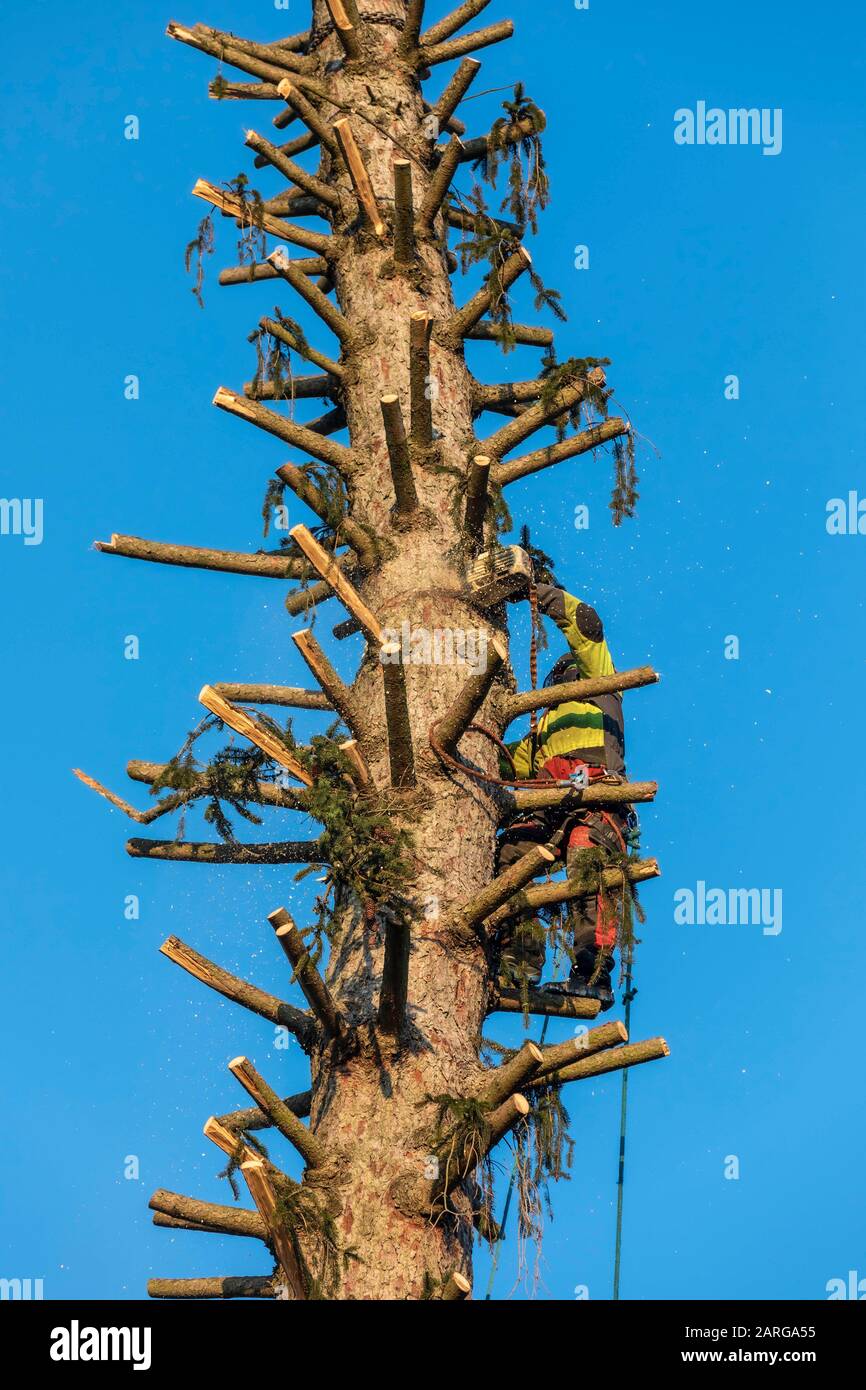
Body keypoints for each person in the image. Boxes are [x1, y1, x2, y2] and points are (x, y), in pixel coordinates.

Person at [495, 580, 635, 1009]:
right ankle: (516, 964)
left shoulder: (600, 690)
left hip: (594, 799)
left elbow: (585, 625)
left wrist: (539, 593)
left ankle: (592, 971)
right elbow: (500, 767)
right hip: (548, 804)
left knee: (588, 862)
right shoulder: (539, 734)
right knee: (514, 854)